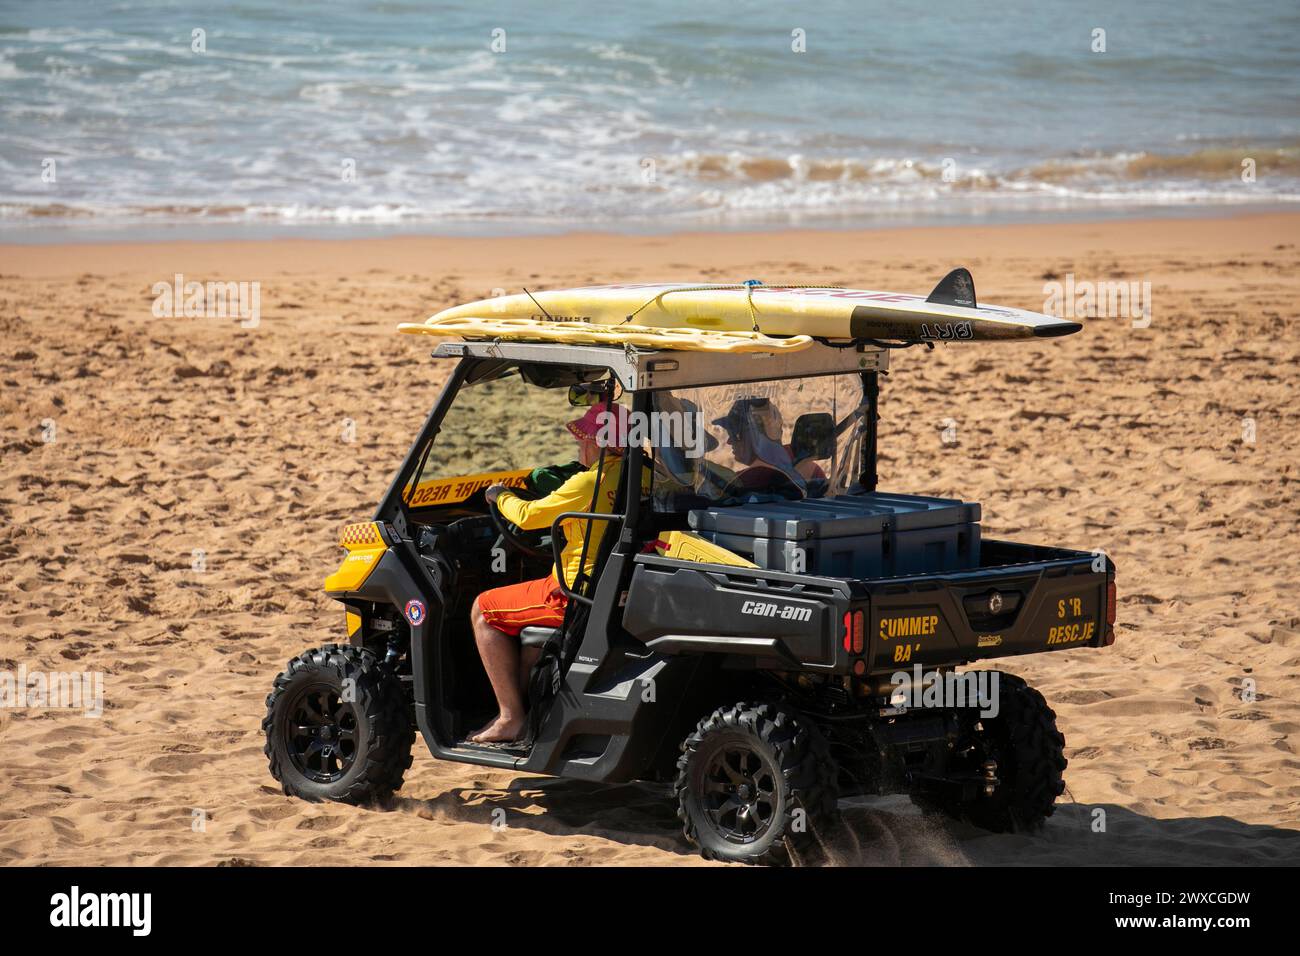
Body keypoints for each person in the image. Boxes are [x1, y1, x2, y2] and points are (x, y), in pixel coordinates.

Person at [468, 401, 628, 744]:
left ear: (600, 443)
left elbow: (528, 516)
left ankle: (511, 718)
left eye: (584, 439)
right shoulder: (645, 475)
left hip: (573, 593)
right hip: (616, 589)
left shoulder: (589, 483)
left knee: (482, 608)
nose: (579, 445)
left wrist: (500, 496)